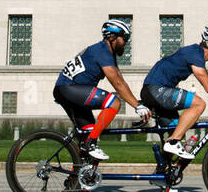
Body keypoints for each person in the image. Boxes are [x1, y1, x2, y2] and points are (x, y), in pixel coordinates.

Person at [140, 25, 208, 160]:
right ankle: (173, 142)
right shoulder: (195, 53)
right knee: (199, 104)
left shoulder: (194, 53)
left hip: (153, 90)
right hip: (156, 90)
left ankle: (163, 170)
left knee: (178, 130)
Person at [54, 19, 151, 163]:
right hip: (70, 88)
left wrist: (139, 103)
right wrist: (137, 106)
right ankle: (90, 143)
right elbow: (118, 84)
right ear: (112, 37)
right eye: (124, 38)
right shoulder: (102, 51)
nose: (126, 42)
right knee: (114, 103)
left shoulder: (105, 52)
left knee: (88, 133)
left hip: (68, 91)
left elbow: (120, 79)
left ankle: (77, 179)